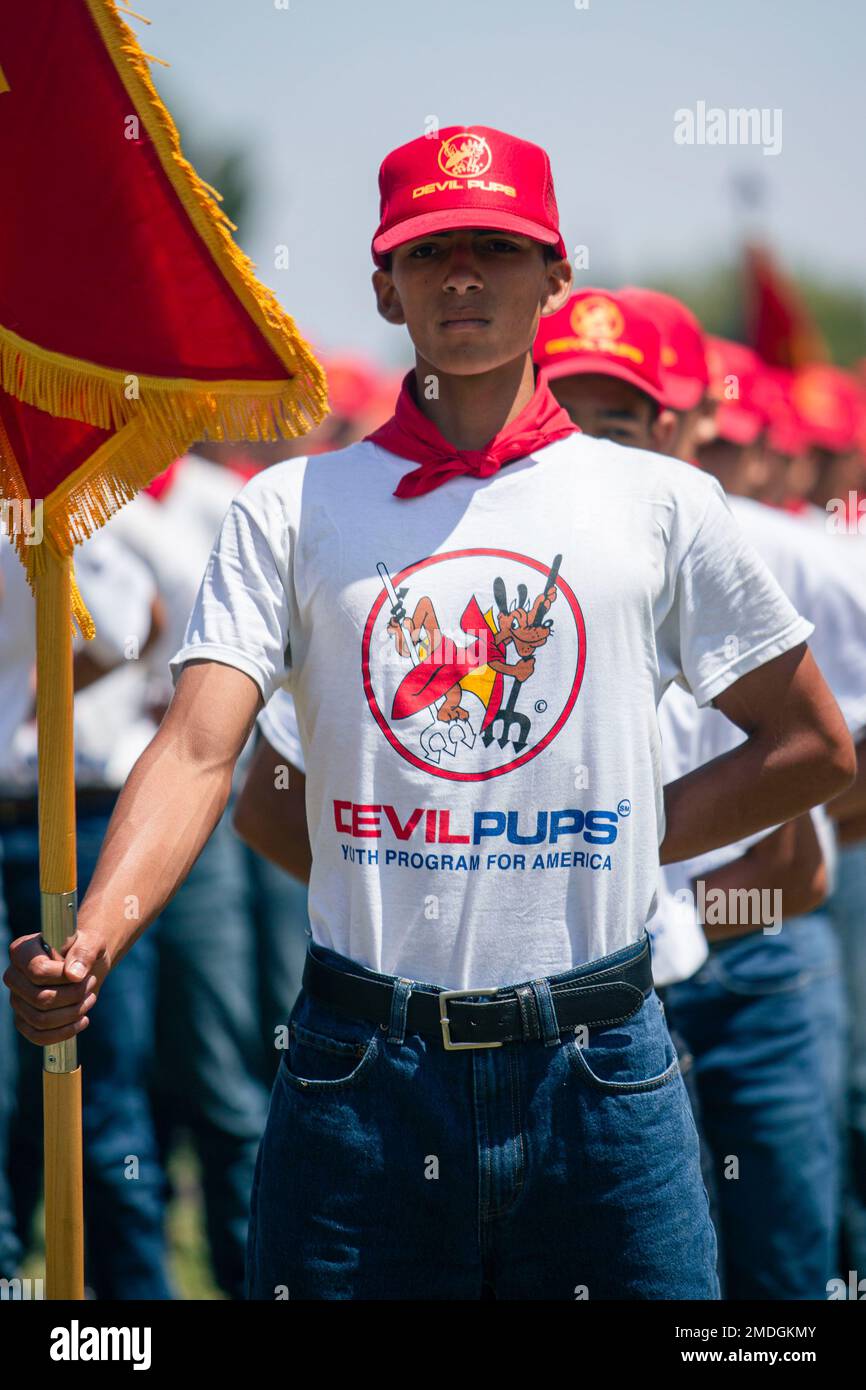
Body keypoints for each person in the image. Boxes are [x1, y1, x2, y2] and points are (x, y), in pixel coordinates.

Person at [5, 125, 856, 1302]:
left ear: (555, 276)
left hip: (601, 1067)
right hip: (358, 1077)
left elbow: (811, 745)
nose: (463, 275)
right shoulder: (292, 506)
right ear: (382, 283)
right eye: (430, 249)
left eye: (496, 248)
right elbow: (203, 748)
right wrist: (91, 935)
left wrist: (621, 834)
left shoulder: (662, 503)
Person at [536, 290, 866, 1297]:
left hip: (751, 963)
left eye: (618, 424)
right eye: (565, 417)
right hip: (582, 991)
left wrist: (678, 920)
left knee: (773, 1270)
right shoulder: (514, 573)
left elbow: (805, 841)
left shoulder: (776, 559)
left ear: (677, 425)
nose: (589, 449)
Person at [0, 528, 172, 1298]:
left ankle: (126, 1317)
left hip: (78, 815)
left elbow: (137, 621)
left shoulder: (44, 498)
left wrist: (31, 702)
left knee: (102, 1098)